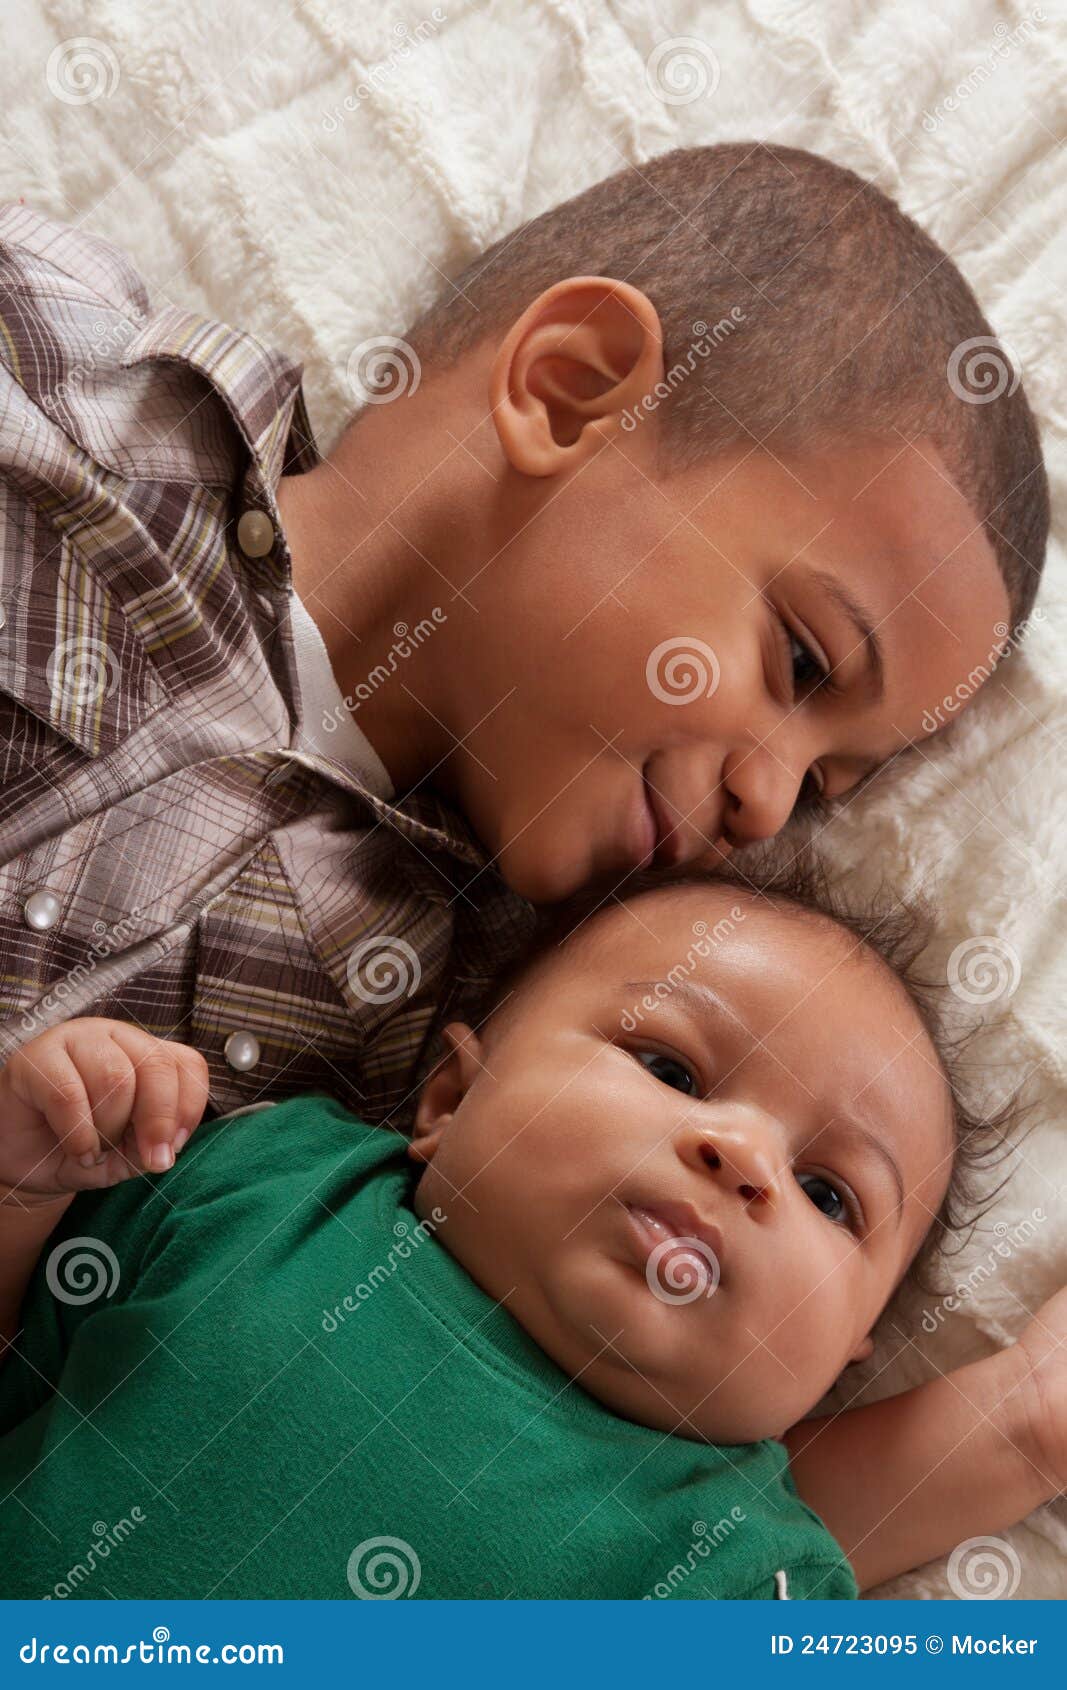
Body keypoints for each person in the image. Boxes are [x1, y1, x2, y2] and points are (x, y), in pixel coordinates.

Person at [0, 142, 1048, 1125]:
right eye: (802, 660)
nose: (765, 804)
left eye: (820, 792)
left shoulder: (467, 1032)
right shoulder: (61, 366)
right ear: (569, 389)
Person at [1, 868, 1060, 1599]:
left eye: (829, 1195)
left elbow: (918, 1476)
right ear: (451, 1097)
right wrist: (32, 1176)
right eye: (670, 1070)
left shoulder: (735, 1557)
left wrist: (1026, 1419)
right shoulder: (271, 1185)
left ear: (839, 1358)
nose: (741, 1156)